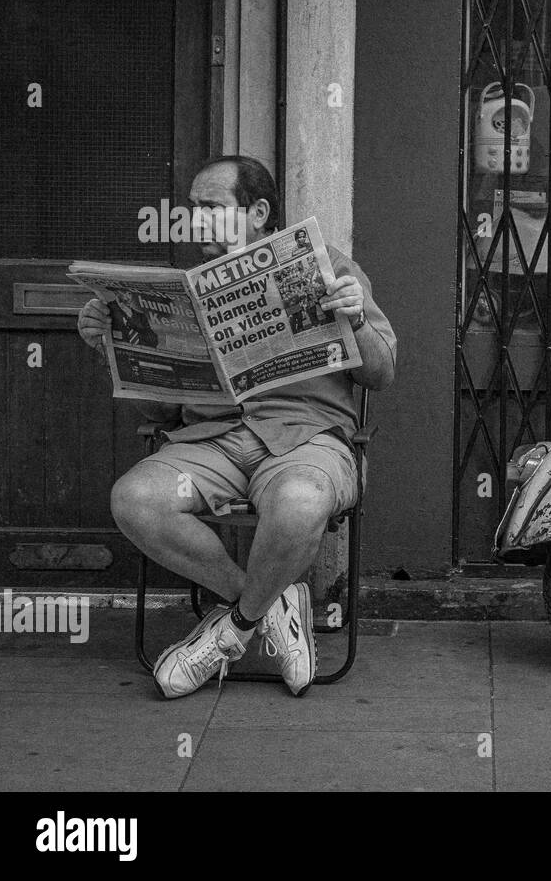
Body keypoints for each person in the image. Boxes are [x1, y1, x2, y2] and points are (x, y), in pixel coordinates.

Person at [77, 155, 397, 699]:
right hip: (212, 442)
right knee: (134, 499)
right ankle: (267, 606)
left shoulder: (328, 265)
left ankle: (229, 632)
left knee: (299, 500)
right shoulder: (184, 286)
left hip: (308, 439)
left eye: (211, 209)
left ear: (259, 213)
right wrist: (112, 345)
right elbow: (158, 417)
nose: (196, 221)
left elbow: (382, 374)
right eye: (192, 209)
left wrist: (357, 318)